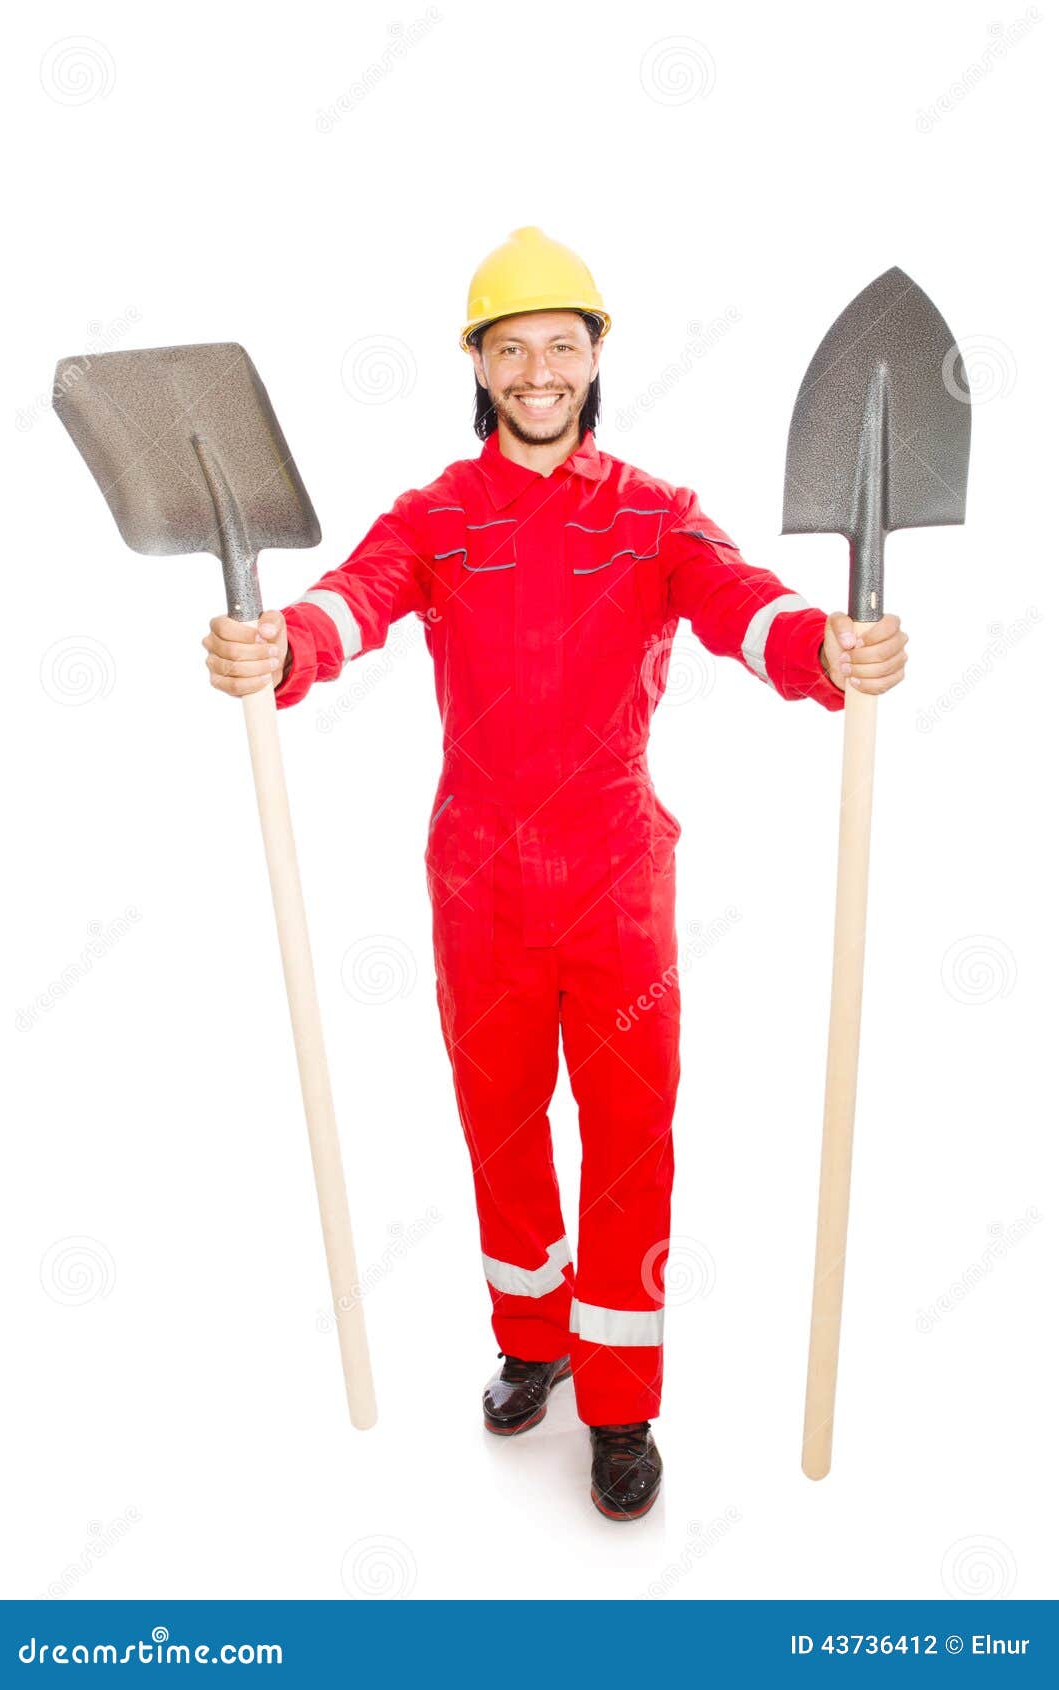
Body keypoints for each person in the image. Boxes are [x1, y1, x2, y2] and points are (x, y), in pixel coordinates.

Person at [203, 227, 908, 1521]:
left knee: (633, 1137)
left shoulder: (651, 513)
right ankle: (533, 1338)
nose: (539, 371)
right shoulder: (436, 517)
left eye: (562, 347)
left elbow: (744, 607)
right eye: (512, 348)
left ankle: (623, 1401)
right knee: (503, 1118)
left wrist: (830, 647)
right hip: (478, 884)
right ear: (478, 363)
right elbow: (351, 603)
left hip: (616, 878)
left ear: (595, 358)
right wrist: (280, 648)